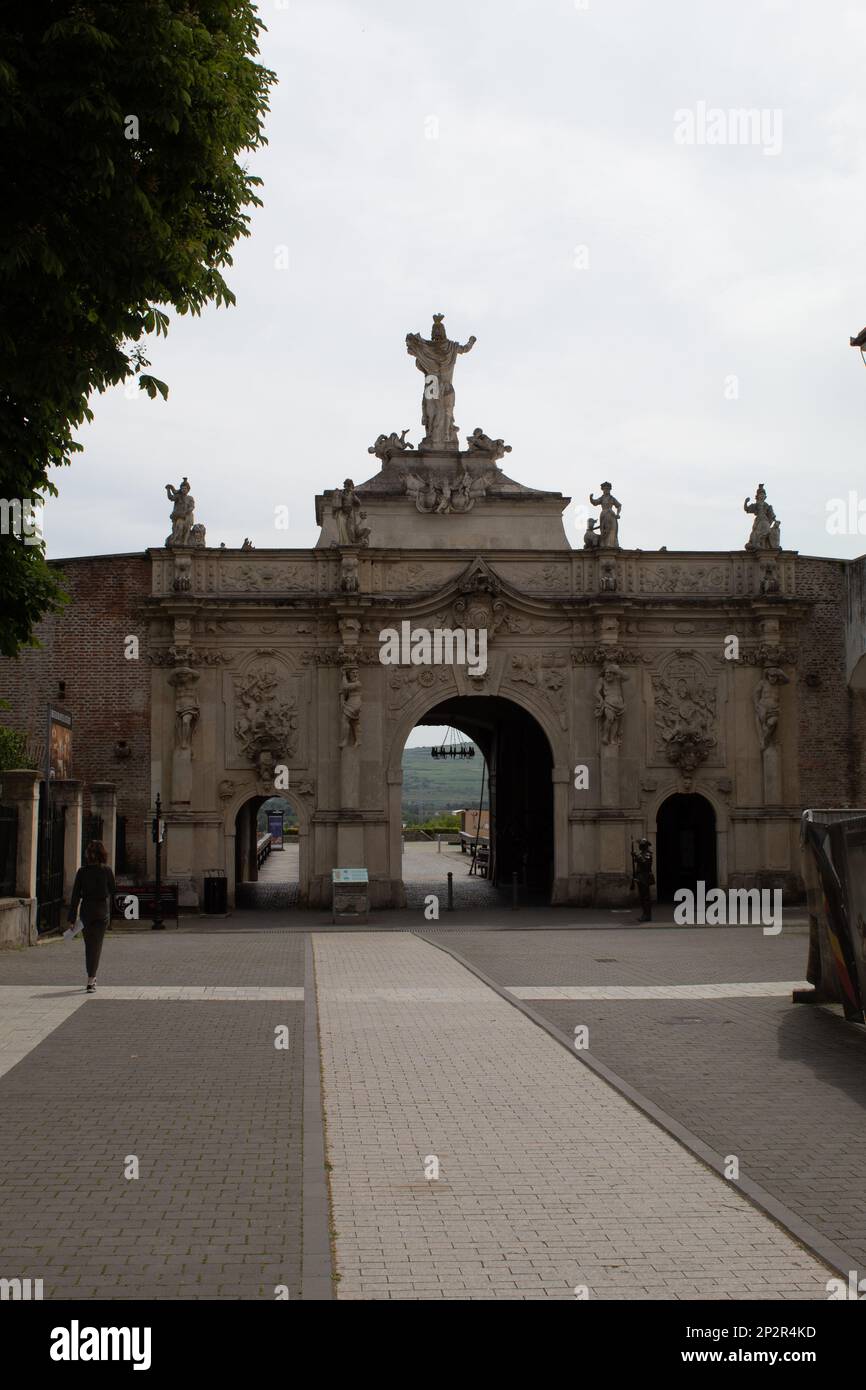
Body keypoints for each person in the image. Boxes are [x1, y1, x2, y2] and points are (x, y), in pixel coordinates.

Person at [67, 840, 116, 993]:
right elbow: (113, 891)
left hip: (87, 911)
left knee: (90, 946)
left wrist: (71, 918)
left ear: (88, 855)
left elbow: (75, 896)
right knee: (96, 946)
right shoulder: (107, 871)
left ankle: (91, 977)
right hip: (101, 911)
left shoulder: (82, 872)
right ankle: (91, 978)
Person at [632, 837, 654, 922]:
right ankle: (644, 914)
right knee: (642, 897)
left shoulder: (648, 854)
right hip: (641, 877)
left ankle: (647, 915)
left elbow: (645, 864)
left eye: (641, 845)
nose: (639, 846)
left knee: (645, 897)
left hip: (645, 877)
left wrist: (636, 856)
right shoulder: (642, 854)